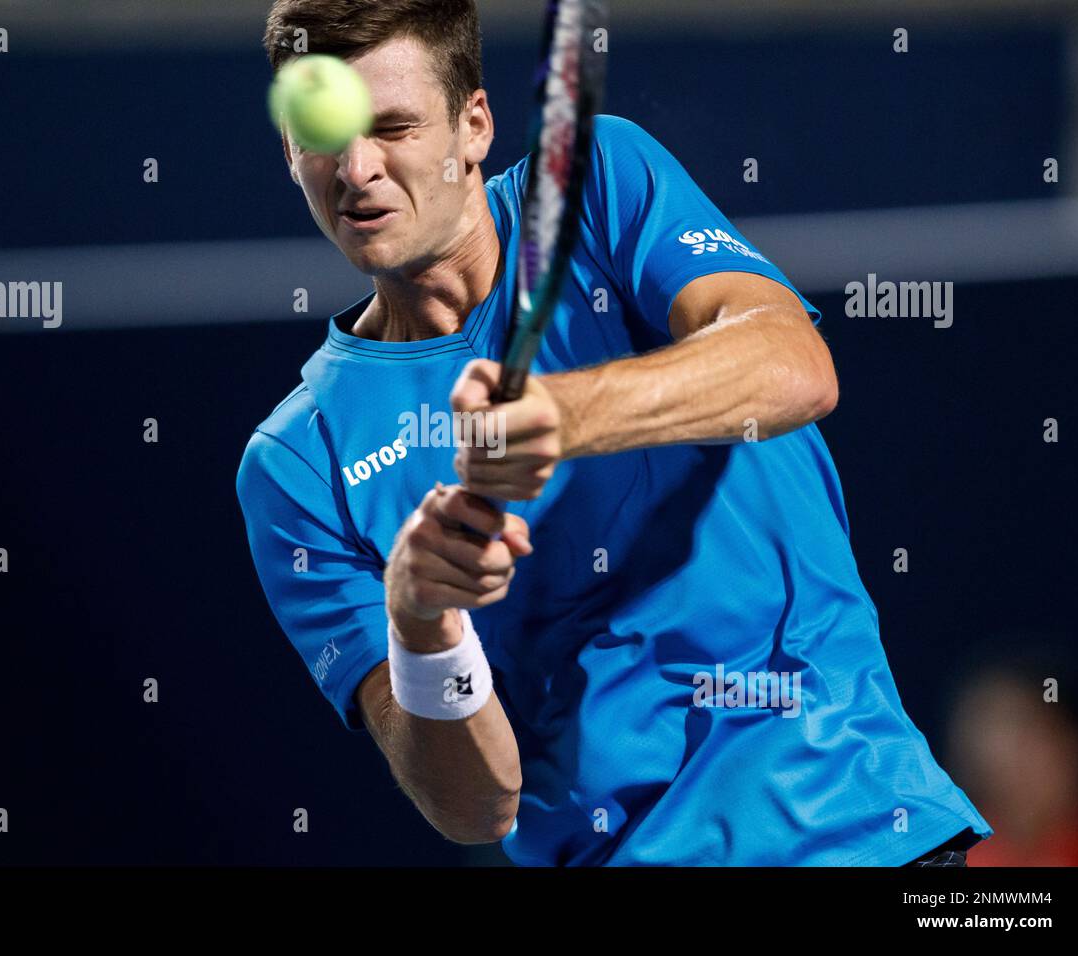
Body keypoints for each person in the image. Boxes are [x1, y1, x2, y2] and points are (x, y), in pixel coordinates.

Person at [237, 0, 992, 865]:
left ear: (473, 125)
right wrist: (420, 623)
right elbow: (473, 809)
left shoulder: (596, 184)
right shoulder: (295, 466)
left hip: (860, 832)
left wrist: (563, 416)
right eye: (324, 136)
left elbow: (793, 367)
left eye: (396, 128)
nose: (357, 168)